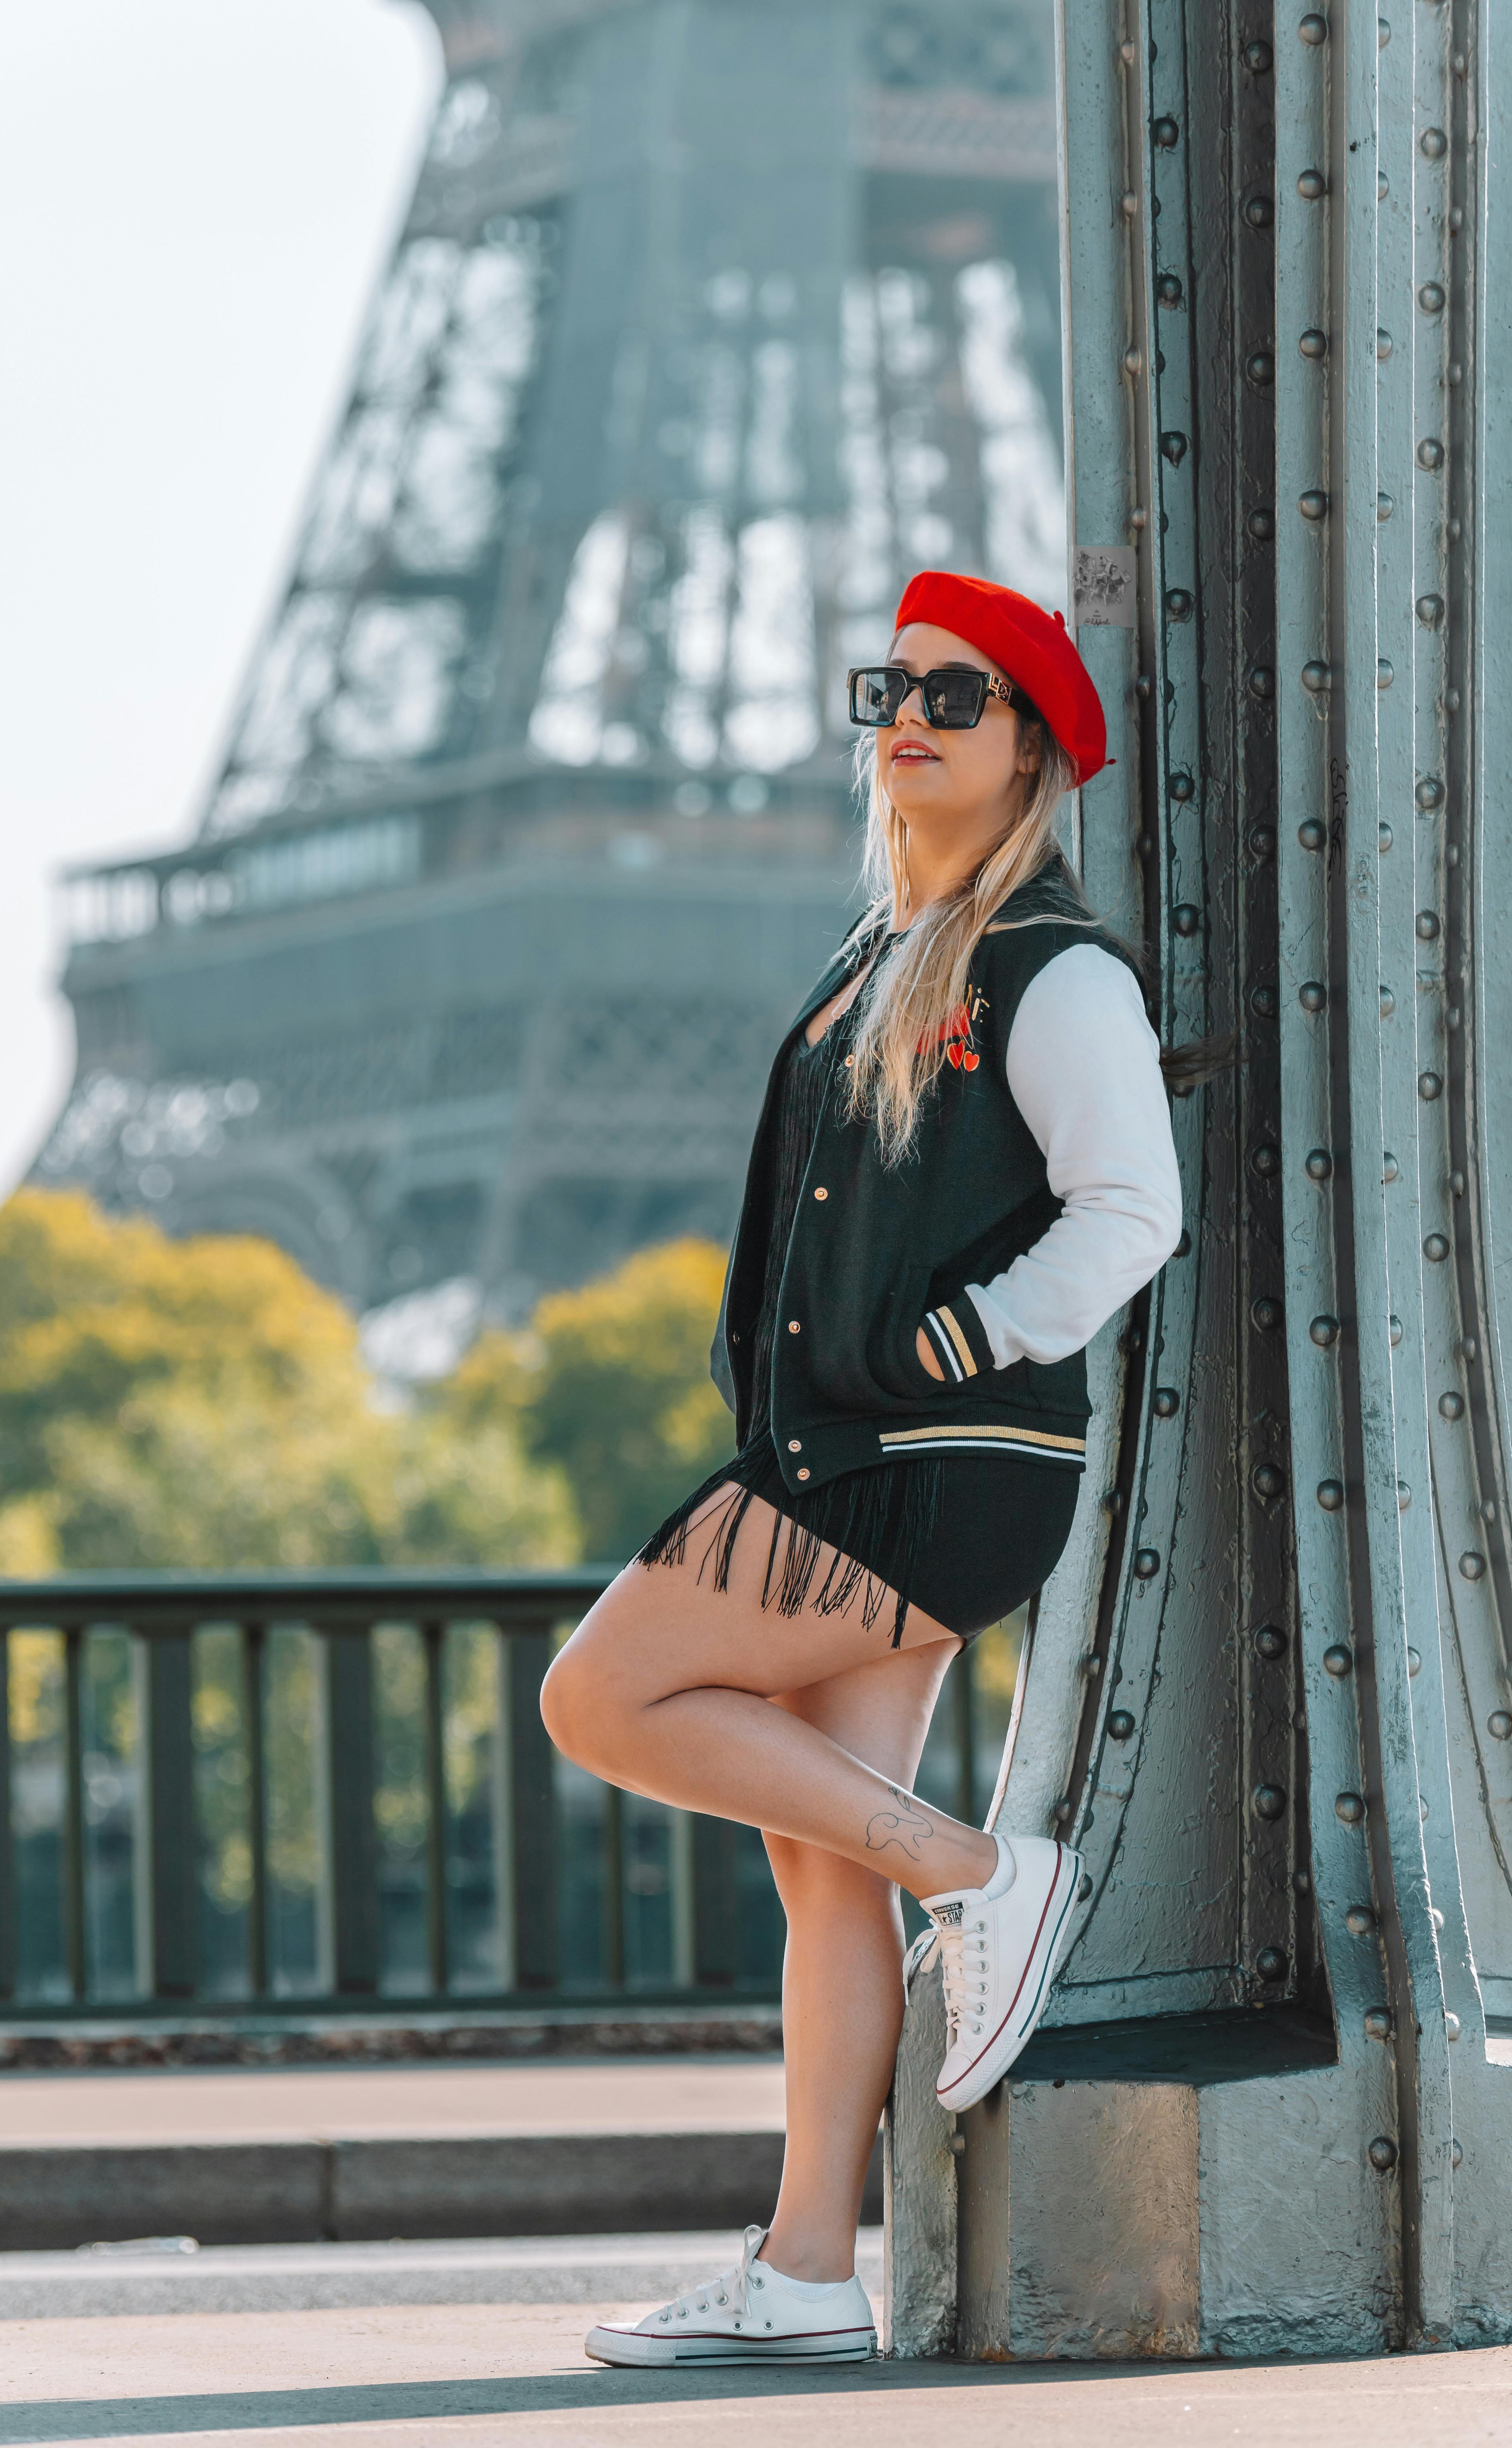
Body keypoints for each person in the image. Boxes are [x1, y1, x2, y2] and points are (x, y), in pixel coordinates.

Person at [542, 569, 1183, 2368]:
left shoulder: (1049, 969)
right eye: (886, 688)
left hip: (920, 1463)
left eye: (955, 695)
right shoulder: (885, 962)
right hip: (856, 1454)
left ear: (1036, 745)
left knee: (598, 1696)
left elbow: (1134, 1206)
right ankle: (810, 2266)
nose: (905, 716)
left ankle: (976, 1870)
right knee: (815, 1860)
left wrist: (959, 1338)